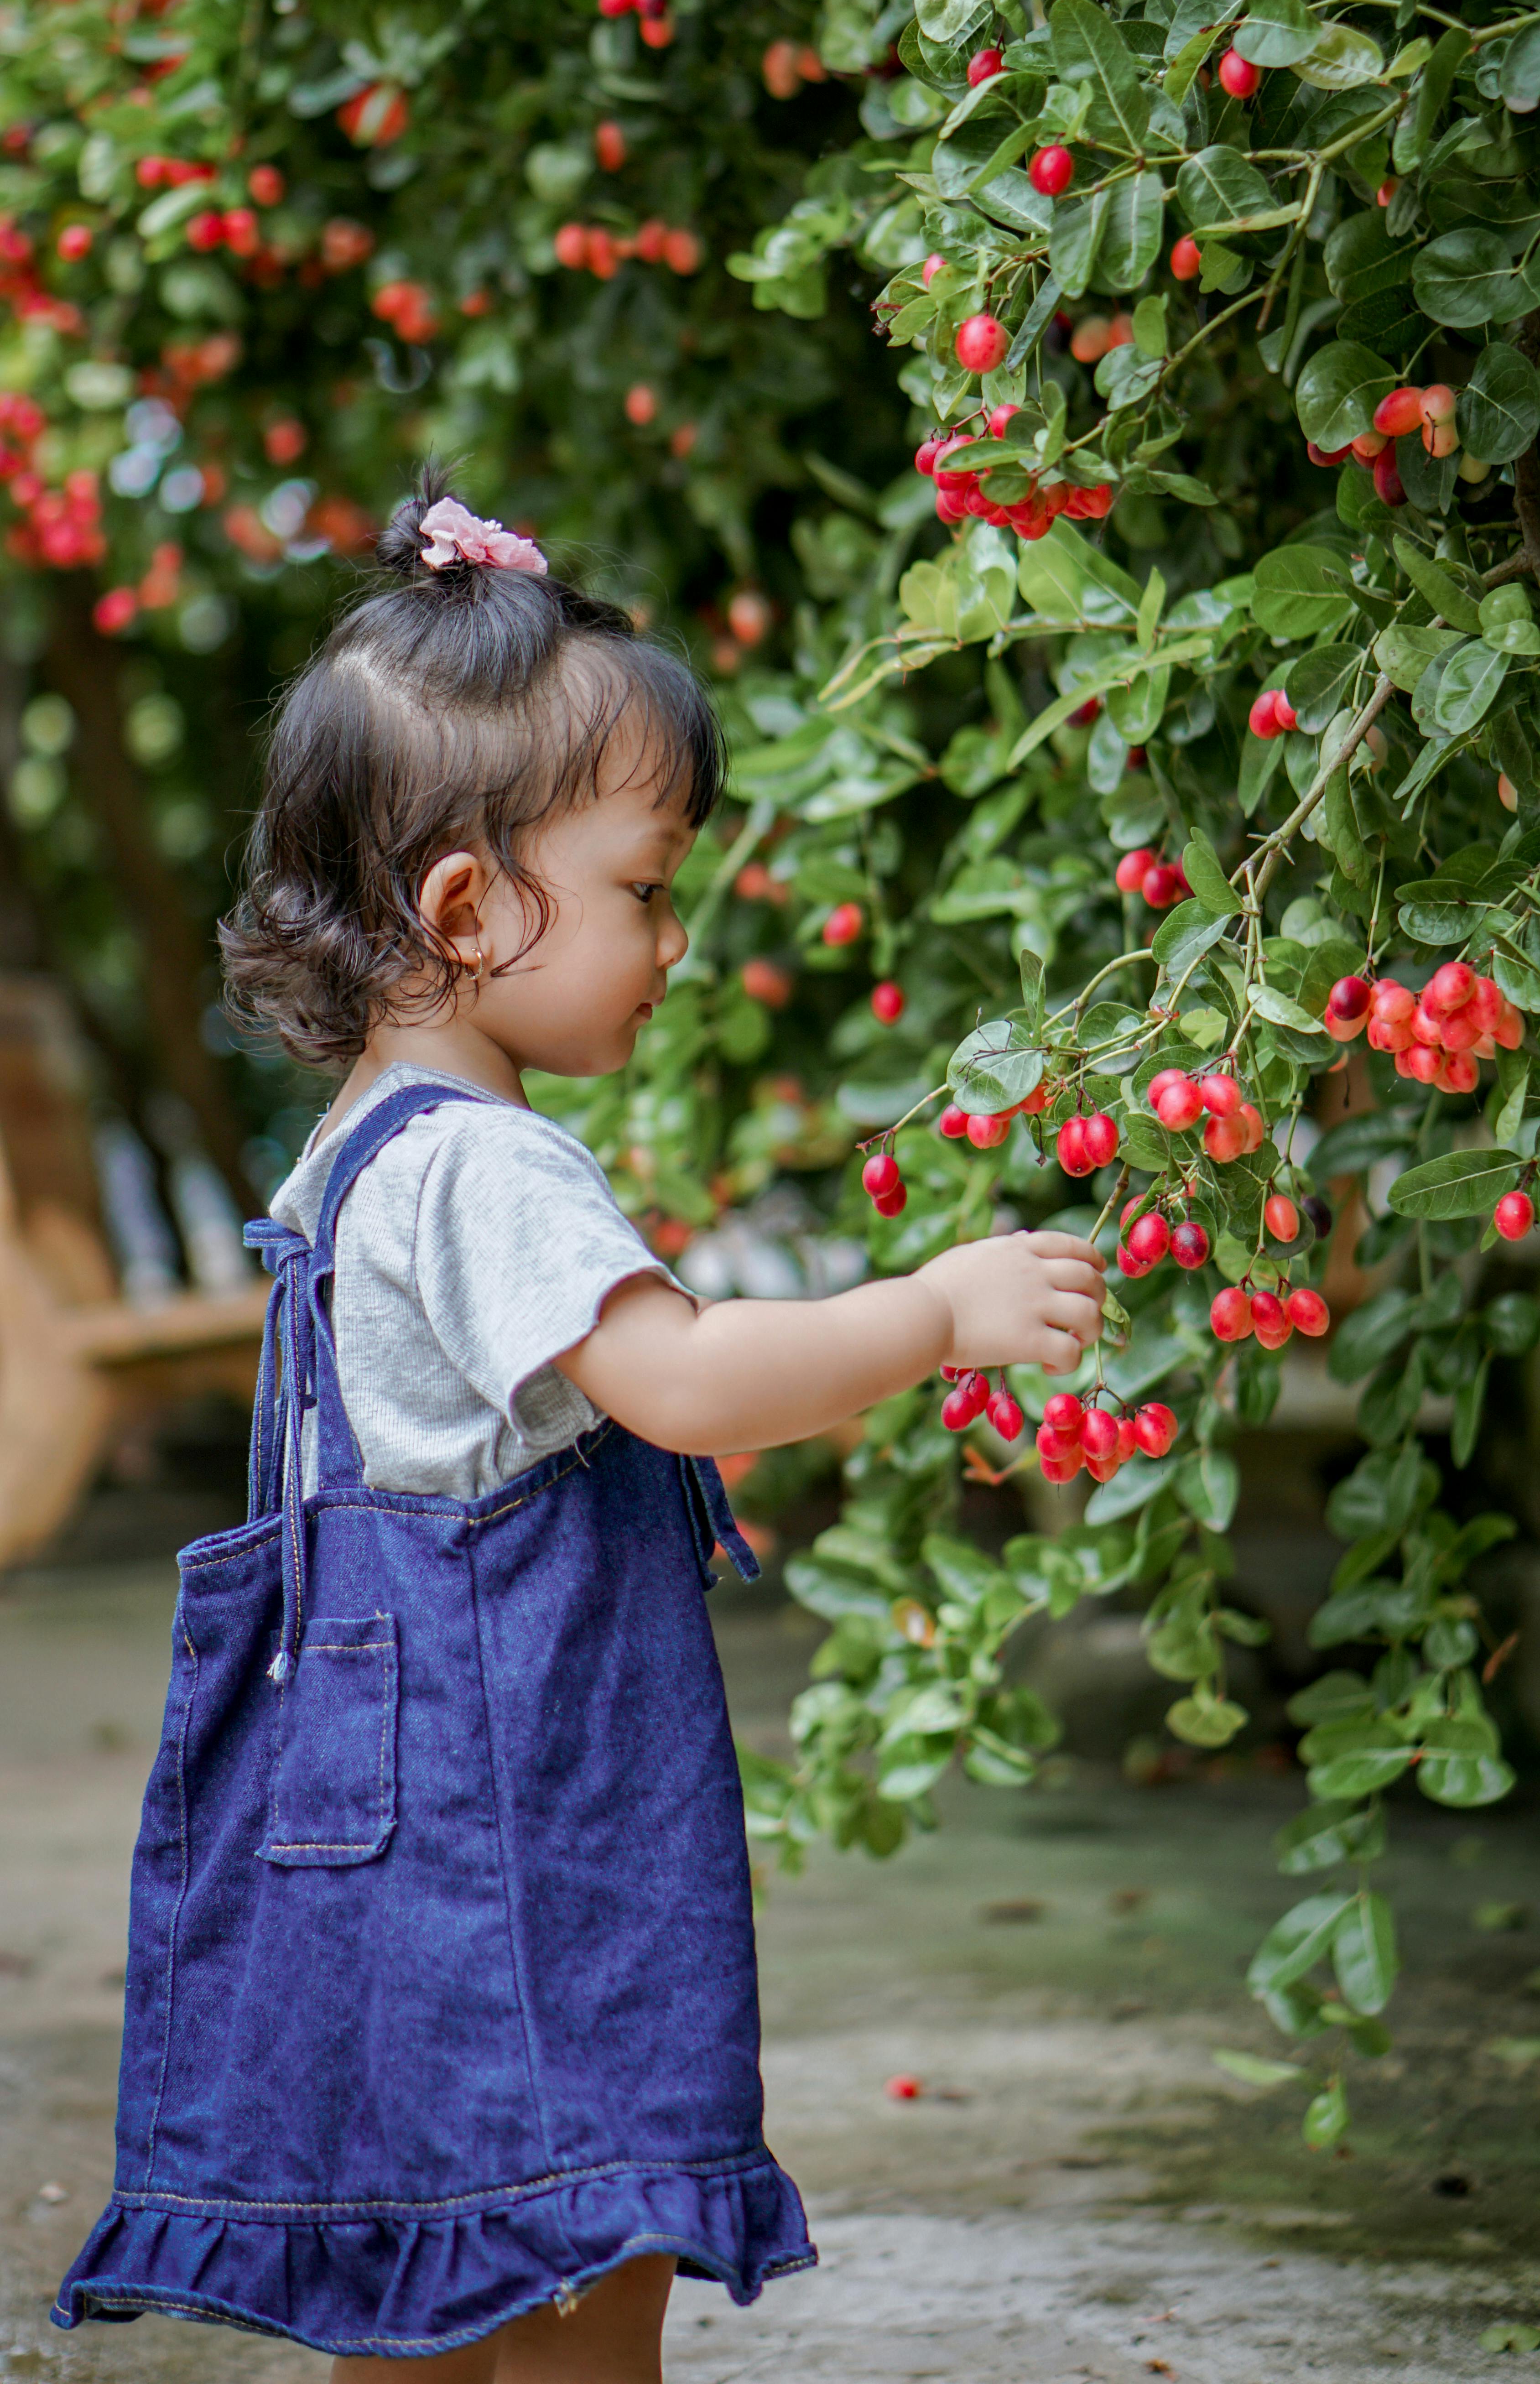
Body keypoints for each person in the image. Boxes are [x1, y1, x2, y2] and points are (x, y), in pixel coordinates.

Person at [54, 469, 1106, 2383]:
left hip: (393, 1877)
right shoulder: (485, 1168)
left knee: (444, 2263)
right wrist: (936, 1314)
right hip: (515, 1845)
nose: (673, 940)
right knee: (574, 2254)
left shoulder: (361, 1154)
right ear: (469, 908)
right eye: (642, 890)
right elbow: (689, 1383)